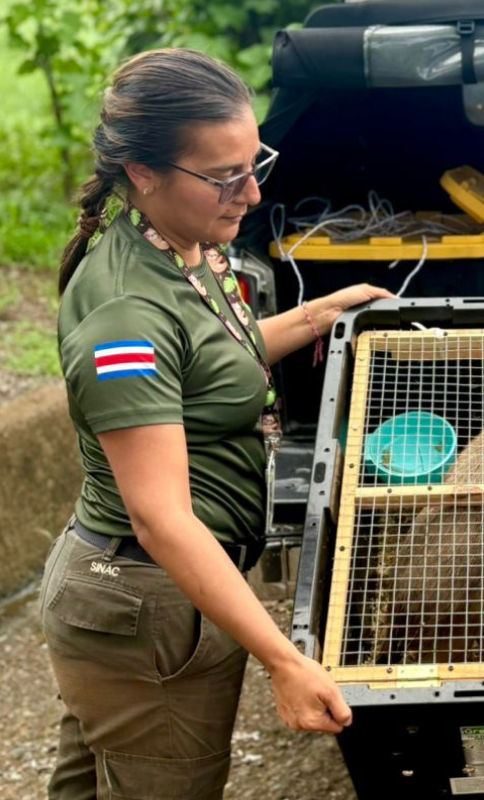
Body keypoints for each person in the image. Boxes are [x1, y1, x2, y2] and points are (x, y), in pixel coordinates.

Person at [41, 49, 393, 799]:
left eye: (254, 163)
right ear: (143, 172)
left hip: (164, 594)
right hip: (148, 600)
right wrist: (285, 660)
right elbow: (162, 517)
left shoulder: (183, 244)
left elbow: (204, 363)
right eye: (224, 176)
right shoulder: (124, 318)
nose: (252, 192)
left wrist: (318, 314)